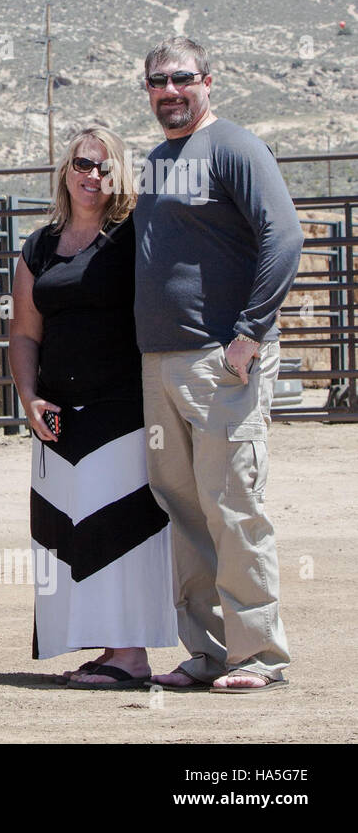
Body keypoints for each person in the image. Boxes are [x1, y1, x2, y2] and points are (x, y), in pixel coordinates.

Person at [135, 37, 304, 693]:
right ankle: (206, 651)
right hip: (162, 362)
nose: (169, 91)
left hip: (219, 359)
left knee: (233, 505)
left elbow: (282, 234)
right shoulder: (156, 161)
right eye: (157, 82)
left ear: (208, 80)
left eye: (181, 78)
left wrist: (251, 332)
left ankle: (258, 654)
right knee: (183, 509)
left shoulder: (233, 146)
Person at [10, 127, 178, 688]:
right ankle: (109, 651)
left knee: (121, 529)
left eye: (106, 168)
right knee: (69, 531)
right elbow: (24, 334)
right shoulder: (38, 246)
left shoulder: (135, 238)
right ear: (66, 168)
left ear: (120, 176)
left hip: (121, 407)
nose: (93, 176)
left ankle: (131, 657)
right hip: (56, 410)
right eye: (84, 163)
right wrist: (29, 396)